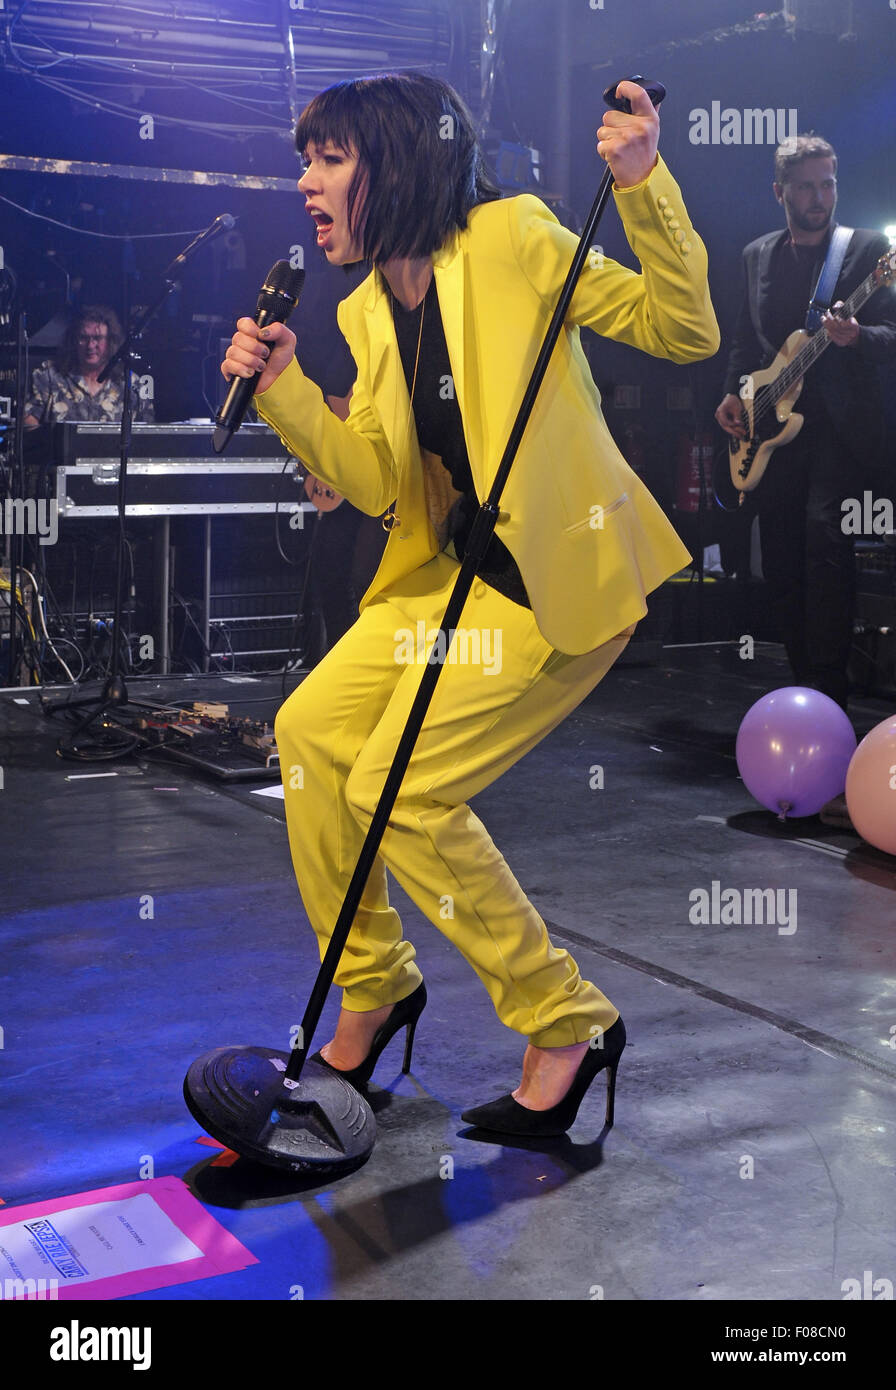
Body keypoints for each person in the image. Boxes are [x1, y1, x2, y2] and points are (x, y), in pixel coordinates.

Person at [222, 72, 718, 1136]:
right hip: (448, 577)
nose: (305, 183)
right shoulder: (367, 307)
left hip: (551, 579)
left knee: (401, 791)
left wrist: (641, 184)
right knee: (309, 735)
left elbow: (680, 328)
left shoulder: (513, 237)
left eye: (329, 158)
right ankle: (373, 985)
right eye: (305, 160)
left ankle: (564, 1021)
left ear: (394, 160)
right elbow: (377, 480)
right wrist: (285, 393)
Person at [715, 134, 896, 711]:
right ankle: (803, 688)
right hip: (772, 431)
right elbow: (748, 342)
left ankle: (829, 692)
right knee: (785, 561)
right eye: (807, 187)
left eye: (828, 183)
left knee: (825, 548)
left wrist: (857, 335)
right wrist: (732, 396)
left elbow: (893, 336)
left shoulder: (868, 251)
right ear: (780, 192)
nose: (820, 197)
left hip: (837, 431)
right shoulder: (756, 255)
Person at [24, 304, 155, 429]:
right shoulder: (48, 377)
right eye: (83, 338)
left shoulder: (131, 384)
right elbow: (27, 425)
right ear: (74, 340)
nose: (90, 345)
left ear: (110, 341)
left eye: (97, 338)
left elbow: (148, 436)